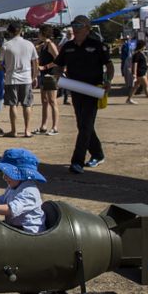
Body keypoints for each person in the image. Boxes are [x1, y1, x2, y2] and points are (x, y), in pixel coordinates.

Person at [54, 15, 114, 174]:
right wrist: (58, 76)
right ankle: (98, 154)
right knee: (82, 124)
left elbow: (109, 65)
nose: (75, 28)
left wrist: (108, 81)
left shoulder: (97, 45)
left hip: (92, 89)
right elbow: (58, 65)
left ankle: (77, 161)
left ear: (87, 28)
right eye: (74, 24)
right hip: (75, 89)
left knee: (85, 124)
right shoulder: (68, 47)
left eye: (79, 25)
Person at [0, 23, 39, 138]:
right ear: (21, 31)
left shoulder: (6, 45)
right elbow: (35, 62)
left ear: (10, 32)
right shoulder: (29, 44)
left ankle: (14, 130)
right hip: (26, 78)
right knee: (27, 105)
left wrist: (5, 70)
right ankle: (27, 130)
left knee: (13, 105)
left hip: (11, 79)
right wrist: (34, 76)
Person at [35, 24, 60, 135]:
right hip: (43, 75)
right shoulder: (43, 45)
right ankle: (43, 126)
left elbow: (58, 59)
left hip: (51, 75)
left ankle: (55, 127)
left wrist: (45, 67)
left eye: (39, 32)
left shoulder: (50, 45)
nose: (38, 35)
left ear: (43, 33)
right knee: (44, 101)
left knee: (52, 101)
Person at [126, 39, 148, 105]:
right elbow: (135, 64)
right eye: (145, 45)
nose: (145, 46)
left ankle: (129, 99)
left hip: (141, 72)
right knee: (146, 86)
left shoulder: (141, 53)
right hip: (140, 73)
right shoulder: (137, 54)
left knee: (136, 86)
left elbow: (145, 63)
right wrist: (134, 74)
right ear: (142, 46)